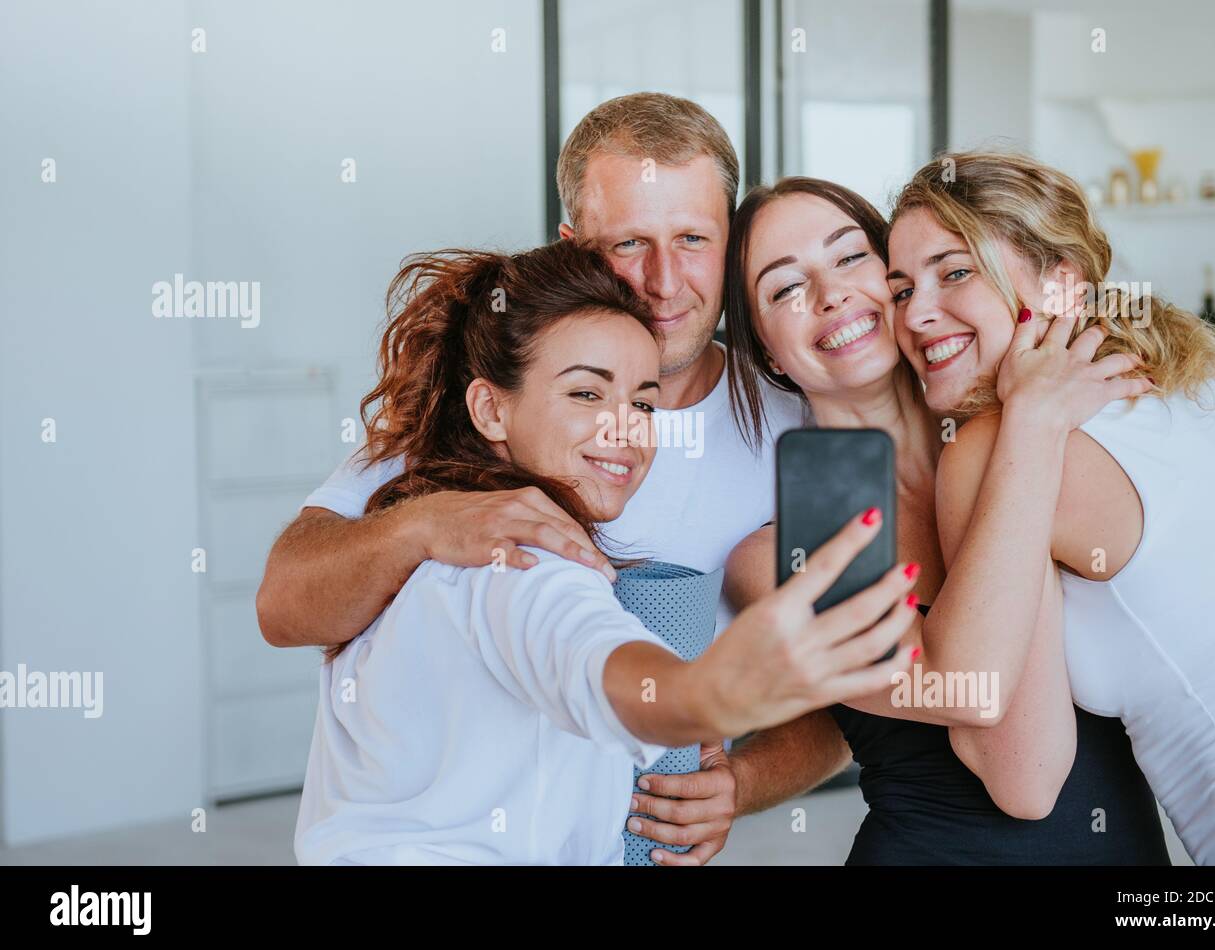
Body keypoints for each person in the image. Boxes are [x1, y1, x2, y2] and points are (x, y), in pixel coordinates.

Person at [259, 93, 810, 864]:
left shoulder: (798, 429)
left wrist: (742, 780)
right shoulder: (487, 402)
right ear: (574, 245)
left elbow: (848, 702)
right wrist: (421, 525)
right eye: (628, 242)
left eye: (692, 238)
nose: (662, 279)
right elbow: (285, 603)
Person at [293, 240, 917, 865]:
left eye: (641, 402)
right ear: (490, 408)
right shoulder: (523, 564)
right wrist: (704, 695)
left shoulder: (413, 533)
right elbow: (591, 655)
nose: (624, 429)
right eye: (586, 394)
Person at [720, 176, 1171, 864]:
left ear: (900, 281)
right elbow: (975, 702)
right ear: (769, 353)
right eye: (784, 288)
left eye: (850, 258)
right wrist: (1030, 426)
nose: (831, 293)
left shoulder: (1046, 416)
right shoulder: (783, 555)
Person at [885, 151, 1215, 864]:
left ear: (1061, 285)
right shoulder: (1202, 384)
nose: (916, 313)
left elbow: (1023, 774)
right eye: (898, 290)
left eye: (955, 271)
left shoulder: (995, 447)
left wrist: (1029, 423)